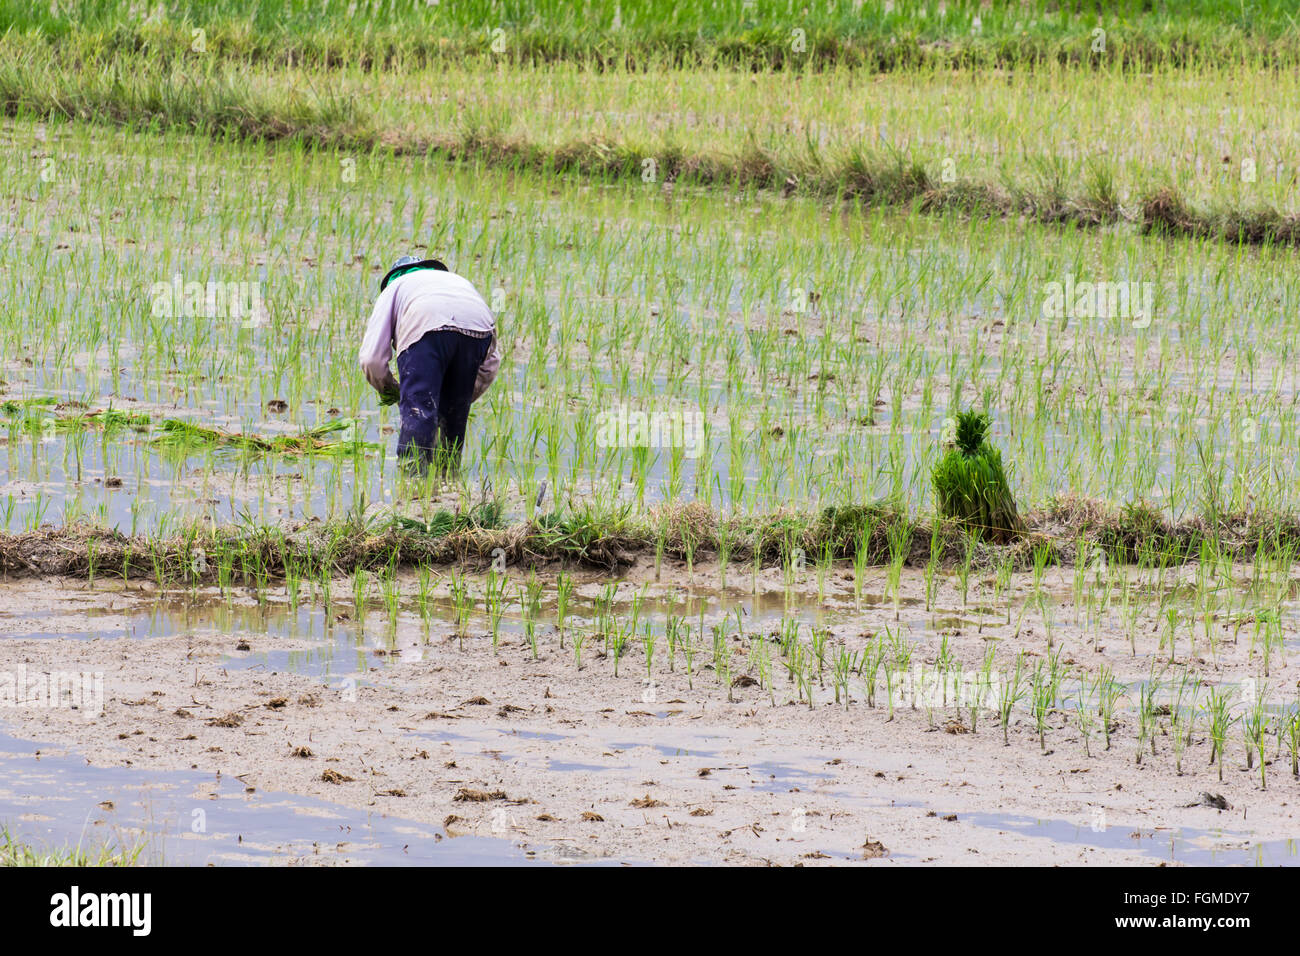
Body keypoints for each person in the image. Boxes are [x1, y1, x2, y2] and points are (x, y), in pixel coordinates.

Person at [358, 256, 500, 473]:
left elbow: (371, 359)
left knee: (418, 415)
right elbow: (491, 363)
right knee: (452, 425)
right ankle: (448, 487)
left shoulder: (394, 287)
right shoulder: (455, 281)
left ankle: (412, 489)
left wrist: (395, 393)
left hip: (426, 321)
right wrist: (459, 399)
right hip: (479, 324)